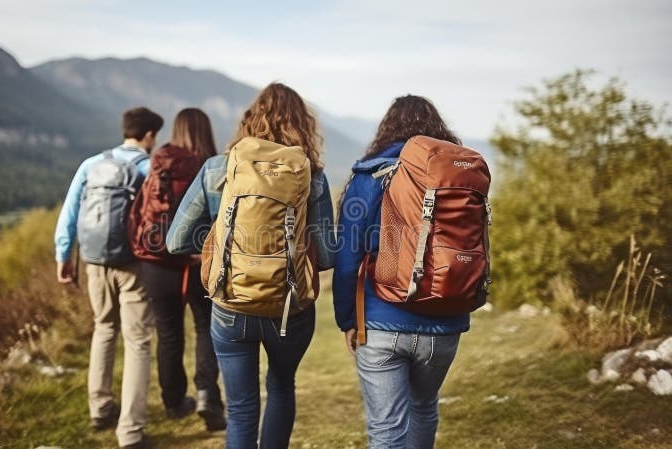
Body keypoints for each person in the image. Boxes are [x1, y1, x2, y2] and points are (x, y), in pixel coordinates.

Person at [166, 83, 336, 449]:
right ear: (303, 125)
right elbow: (326, 257)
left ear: (249, 121)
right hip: (290, 306)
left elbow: (175, 241)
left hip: (231, 302)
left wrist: (219, 245)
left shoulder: (218, 169)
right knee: (281, 387)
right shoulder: (312, 175)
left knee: (241, 407)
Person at [333, 95, 469, 449]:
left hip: (381, 321)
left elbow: (347, 259)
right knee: (423, 406)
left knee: (386, 430)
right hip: (445, 321)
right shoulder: (457, 176)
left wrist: (348, 320)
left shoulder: (371, 176)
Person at [55, 107, 162, 449]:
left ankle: (99, 409)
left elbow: (70, 213)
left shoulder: (91, 164)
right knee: (138, 341)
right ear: (149, 135)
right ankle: (130, 431)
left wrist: (63, 256)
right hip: (132, 265)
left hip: (94, 261)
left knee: (104, 328)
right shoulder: (148, 167)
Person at [134, 108, 226, 430]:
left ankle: (174, 402)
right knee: (206, 327)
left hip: (157, 262)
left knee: (169, 333)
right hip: (199, 261)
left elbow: (141, 210)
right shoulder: (211, 165)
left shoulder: (159, 161)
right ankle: (207, 396)